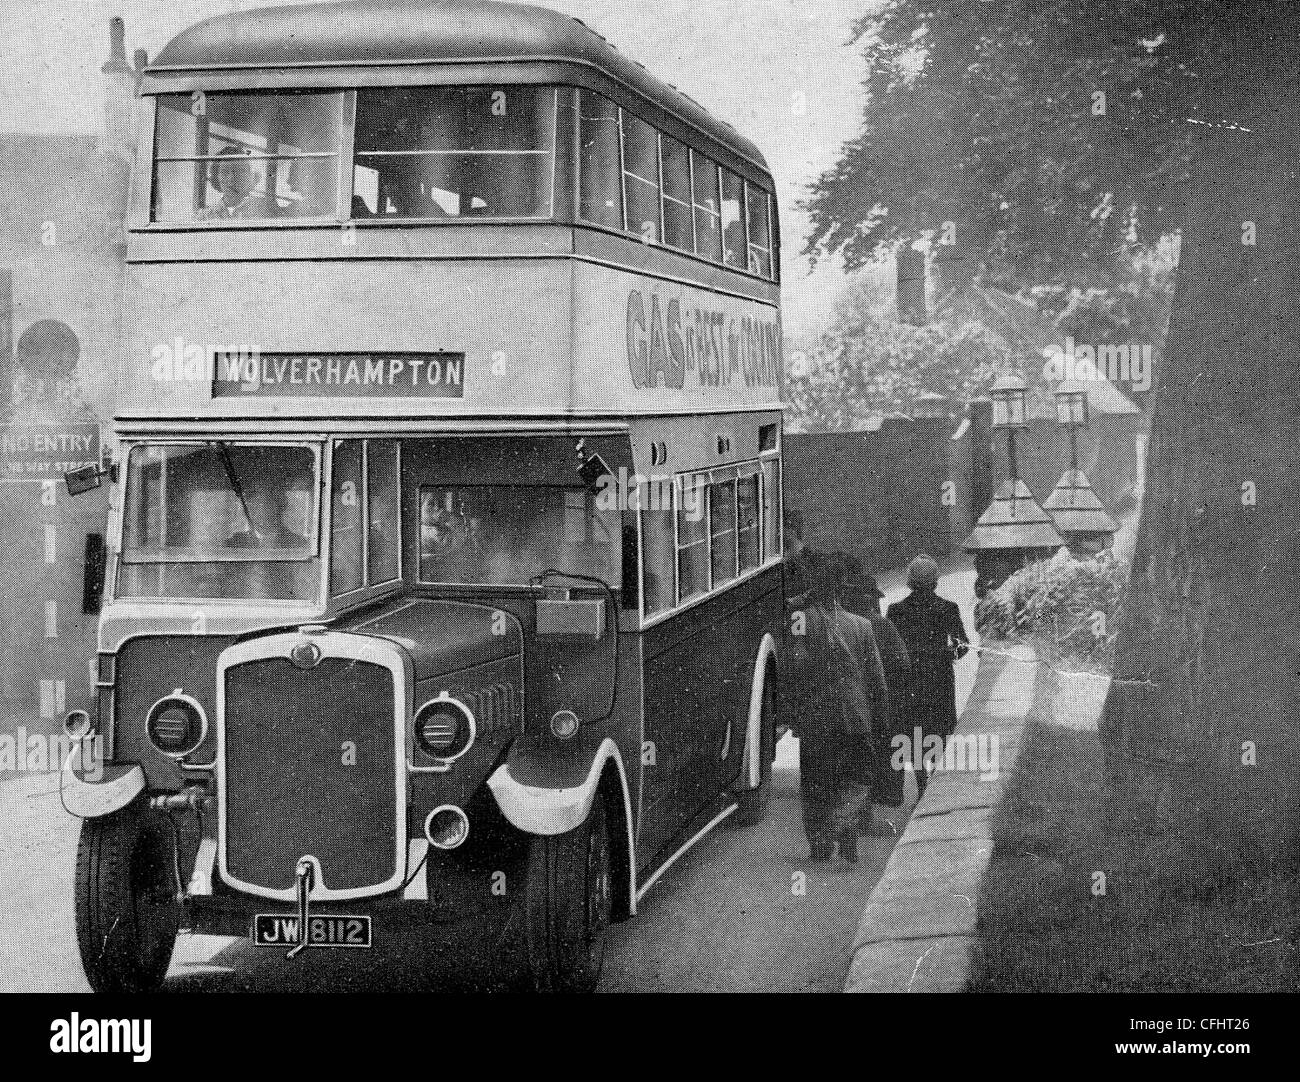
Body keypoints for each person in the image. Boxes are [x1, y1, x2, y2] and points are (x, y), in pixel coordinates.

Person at [787, 550, 888, 864]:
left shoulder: (801, 622)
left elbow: (794, 668)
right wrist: (880, 714)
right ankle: (845, 826)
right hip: (855, 717)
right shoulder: (861, 626)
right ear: (843, 589)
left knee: (816, 780)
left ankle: (819, 842)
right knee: (857, 776)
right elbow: (876, 678)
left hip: (816, 716)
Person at [886, 555, 972, 801]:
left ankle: (922, 781)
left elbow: (892, 649)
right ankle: (933, 779)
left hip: (909, 680)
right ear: (935, 582)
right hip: (939, 679)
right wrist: (946, 654)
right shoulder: (948, 608)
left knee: (914, 731)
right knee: (939, 728)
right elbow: (963, 645)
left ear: (910, 582)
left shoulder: (897, 610)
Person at [834, 553, 913, 813]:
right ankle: (884, 797)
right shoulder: (880, 626)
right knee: (888, 747)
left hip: (851, 705)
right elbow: (902, 664)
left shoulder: (839, 626)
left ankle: (859, 807)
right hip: (882, 699)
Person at [198, 147, 273, 220]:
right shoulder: (204, 216)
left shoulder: (265, 208)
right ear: (216, 177)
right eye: (225, 172)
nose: (231, 178)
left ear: (248, 175)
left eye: (237, 171)